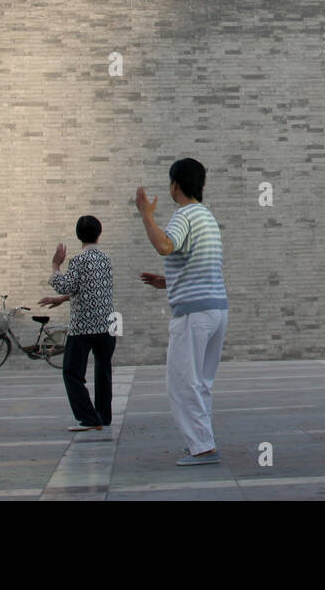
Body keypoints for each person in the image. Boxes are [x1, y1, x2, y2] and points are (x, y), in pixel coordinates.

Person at [136, 159, 227, 466]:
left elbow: (165, 245)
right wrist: (169, 280)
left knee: (181, 381)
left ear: (175, 184)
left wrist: (147, 216)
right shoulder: (207, 218)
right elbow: (198, 263)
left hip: (193, 315)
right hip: (216, 309)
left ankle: (201, 447)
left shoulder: (183, 215)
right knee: (201, 382)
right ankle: (203, 441)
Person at [42, 215, 116, 431]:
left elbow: (65, 285)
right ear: (99, 233)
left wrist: (55, 265)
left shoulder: (78, 260)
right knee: (103, 372)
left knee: (72, 373)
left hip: (83, 327)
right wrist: (62, 300)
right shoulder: (105, 259)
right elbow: (90, 289)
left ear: (78, 235)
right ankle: (103, 416)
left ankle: (88, 418)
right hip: (106, 325)